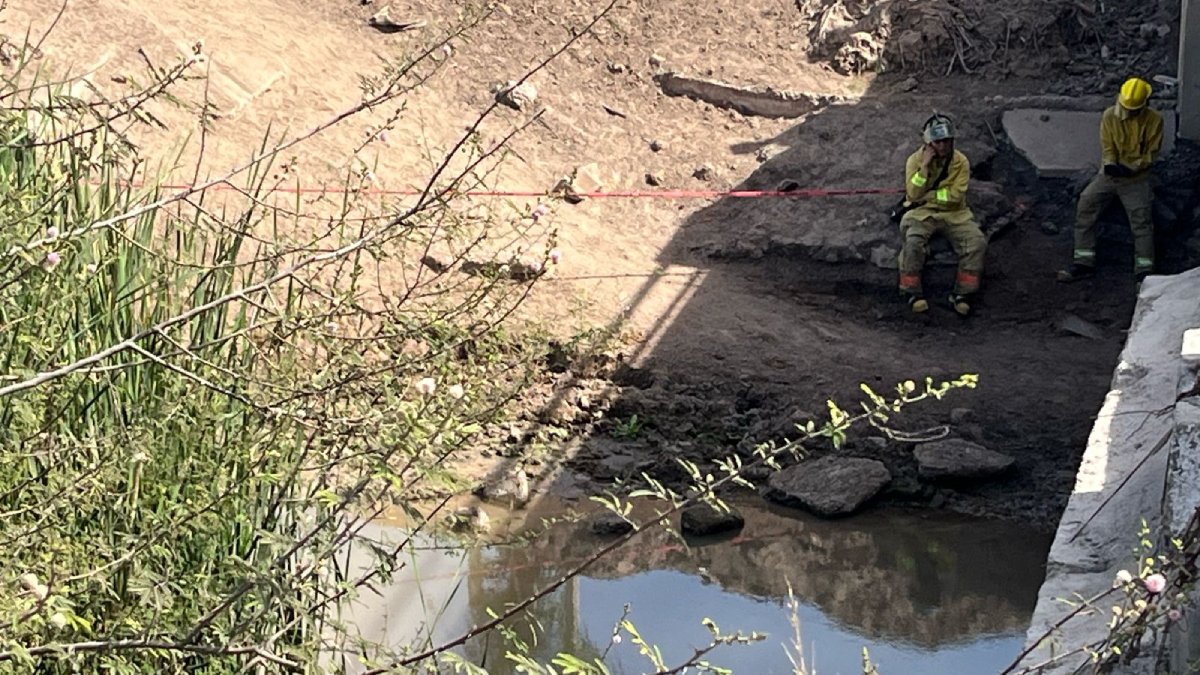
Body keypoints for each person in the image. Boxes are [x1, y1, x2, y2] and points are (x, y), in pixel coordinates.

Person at [1057, 77, 1164, 283]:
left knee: (1141, 221)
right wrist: (1111, 165)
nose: (1128, 112)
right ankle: (1083, 261)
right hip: (1110, 175)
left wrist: (1132, 168)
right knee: (1086, 204)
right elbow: (1108, 148)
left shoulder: (1154, 120)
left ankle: (1144, 271)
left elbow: (1151, 154)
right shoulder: (1109, 116)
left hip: (1136, 179)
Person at [896, 113, 987, 316]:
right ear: (929, 143)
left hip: (956, 214)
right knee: (912, 243)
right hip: (922, 213)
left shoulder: (961, 162)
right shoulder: (915, 161)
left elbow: (955, 196)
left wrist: (930, 196)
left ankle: (963, 294)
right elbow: (913, 193)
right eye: (938, 142)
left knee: (976, 243)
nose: (944, 146)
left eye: (947, 141)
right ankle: (912, 292)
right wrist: (925, 167)